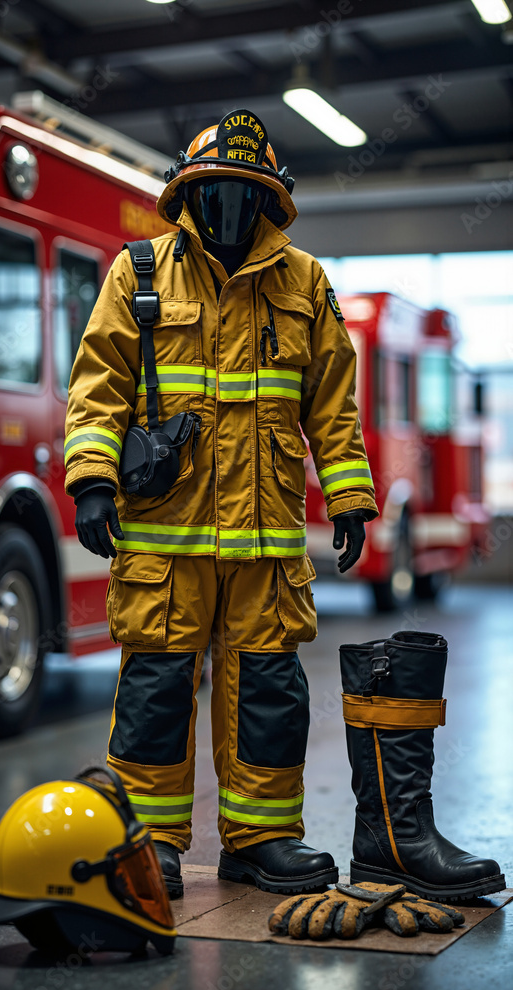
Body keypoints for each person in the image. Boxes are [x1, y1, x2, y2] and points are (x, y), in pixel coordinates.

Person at [65, 109, 378, 899]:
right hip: (164, 544)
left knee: (269, 692)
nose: (228, 208)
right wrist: (93, 480)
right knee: (156, 690)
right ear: (188, 194)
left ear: (269, 198)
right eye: (214, 192)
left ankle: (262, 837)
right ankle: (148, 844)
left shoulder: (304, 283)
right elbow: (98, 385)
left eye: (245, 193)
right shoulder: (137, 273)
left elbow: (331, 403)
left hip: (266, 548)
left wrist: (348, 496)